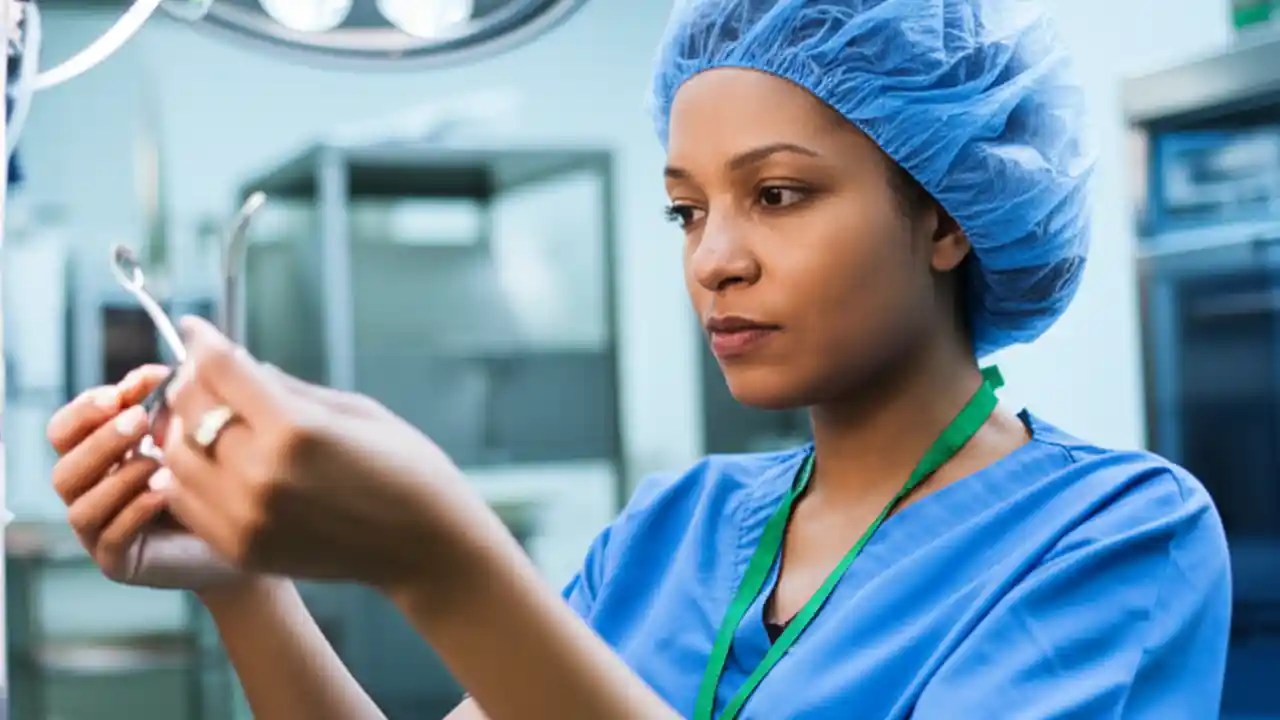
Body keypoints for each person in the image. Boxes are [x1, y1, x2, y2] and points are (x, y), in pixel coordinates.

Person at [46, 0, 1232, 718]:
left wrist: (448, 567)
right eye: (684, 211)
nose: (713, 260)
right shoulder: (672, 533)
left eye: (774, 194)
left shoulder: (1112, 537)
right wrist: (242, 586)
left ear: (944, 215)